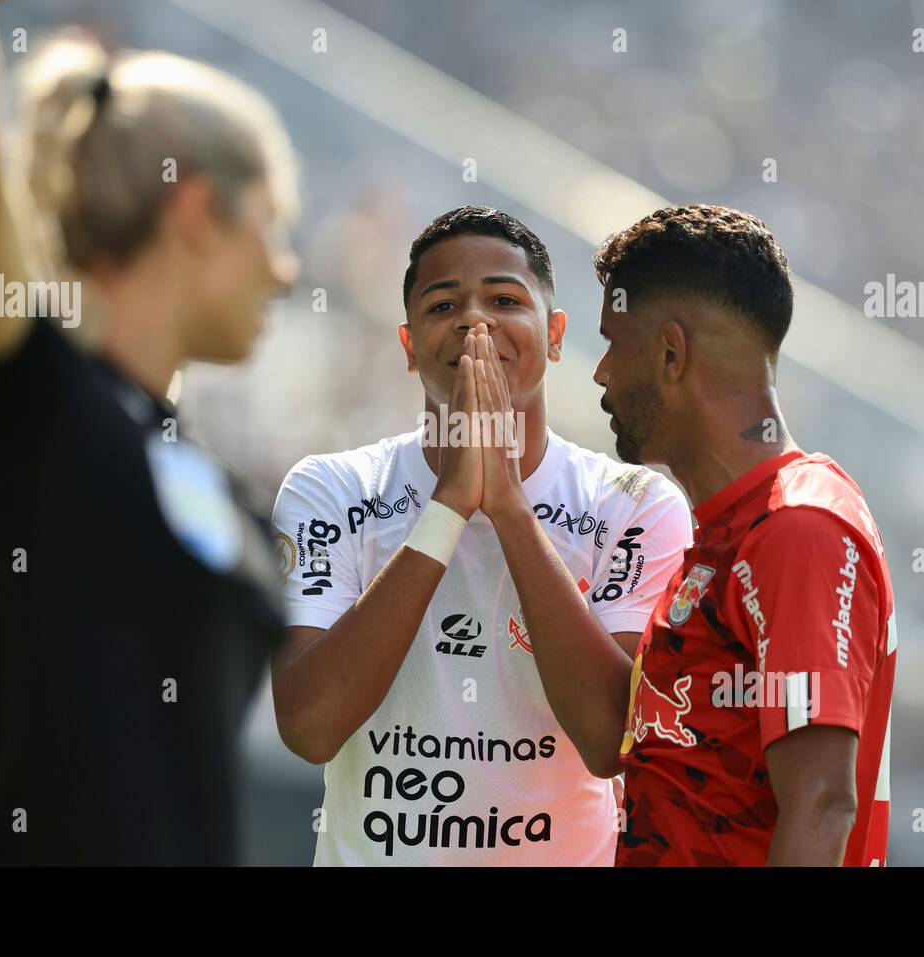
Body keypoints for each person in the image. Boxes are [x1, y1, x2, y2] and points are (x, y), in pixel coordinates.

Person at [0, 0, 299, 864]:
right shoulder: (34, 399)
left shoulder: (207, 475)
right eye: (271, 225)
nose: (285, 268)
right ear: (197, 212)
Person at [270, 206, 691, 865]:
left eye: (503, 298)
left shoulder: (633, 505)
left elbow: (612, 739)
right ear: (410, 347)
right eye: (443, 304)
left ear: (553, 334)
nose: (474, 320)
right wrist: (448, 508)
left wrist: (509, 509)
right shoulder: (331, 489)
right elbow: (310, 725)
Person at [577, 204, 896, 866]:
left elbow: (822, 802)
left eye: (613, 341)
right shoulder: (729, 532)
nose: (601, 372)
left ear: (671, 352)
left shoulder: (799, 528)